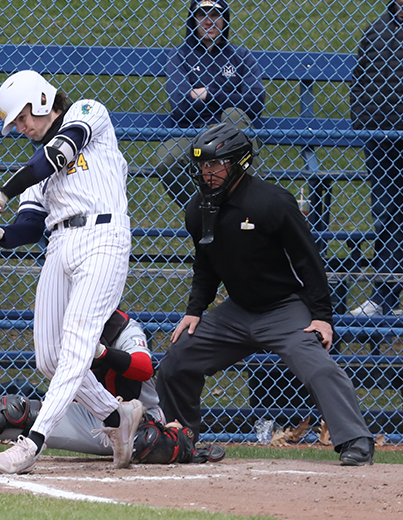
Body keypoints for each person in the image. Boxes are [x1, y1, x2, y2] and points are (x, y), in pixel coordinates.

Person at [155, 123, 375, 466]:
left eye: (215, 164)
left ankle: (356, 440)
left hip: (284, 308)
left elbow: (309, 261)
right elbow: (206, 264)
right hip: (238, 310)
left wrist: (321, 317)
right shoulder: (198, 208)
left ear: (239, 163)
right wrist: (194, 310)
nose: (207, 172)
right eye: (202, 165)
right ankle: (179, 440)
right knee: (177, 362)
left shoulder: (272, 202)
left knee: (318, 367)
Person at [0, 70, 142, 473]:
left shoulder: (87, 112)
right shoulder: (35, 172)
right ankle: (118, 417)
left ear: (42, 100)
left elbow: (59, 154)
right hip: (60, 244)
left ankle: (32, 443)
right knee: (49, 357)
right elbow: (29, 226)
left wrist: (2, 192)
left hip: (104, 236)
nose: (21, 128)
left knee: (77, 341)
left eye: (22, 117)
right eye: (15, 123)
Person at [0, 310, 225, 465]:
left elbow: (144, 366)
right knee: (11, 412)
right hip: (87, 419)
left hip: (136, 420)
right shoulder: (68, 323)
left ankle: (180, 445)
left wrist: (101, 352)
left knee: (149, 441)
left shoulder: (125, 329)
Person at [155, 0, 265, 208]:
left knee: (234, 114)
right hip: (194, 132)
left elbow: (255, 102)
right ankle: (207, 212)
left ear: (225, 19)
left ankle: (250, 209)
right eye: (202, 15)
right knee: (166, 160)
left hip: (231, 131)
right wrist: (231, 97)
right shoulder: (179, 55)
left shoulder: (241, 56)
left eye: (215, 15)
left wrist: (208, 93)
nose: (208, 21)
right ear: (193, 19)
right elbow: (181, 106)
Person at [349, 0, 403, 316]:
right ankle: (384, 298)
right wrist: (366, 125)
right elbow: (359, 83)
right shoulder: (376, 31)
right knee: (386, 215)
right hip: (383, 142)